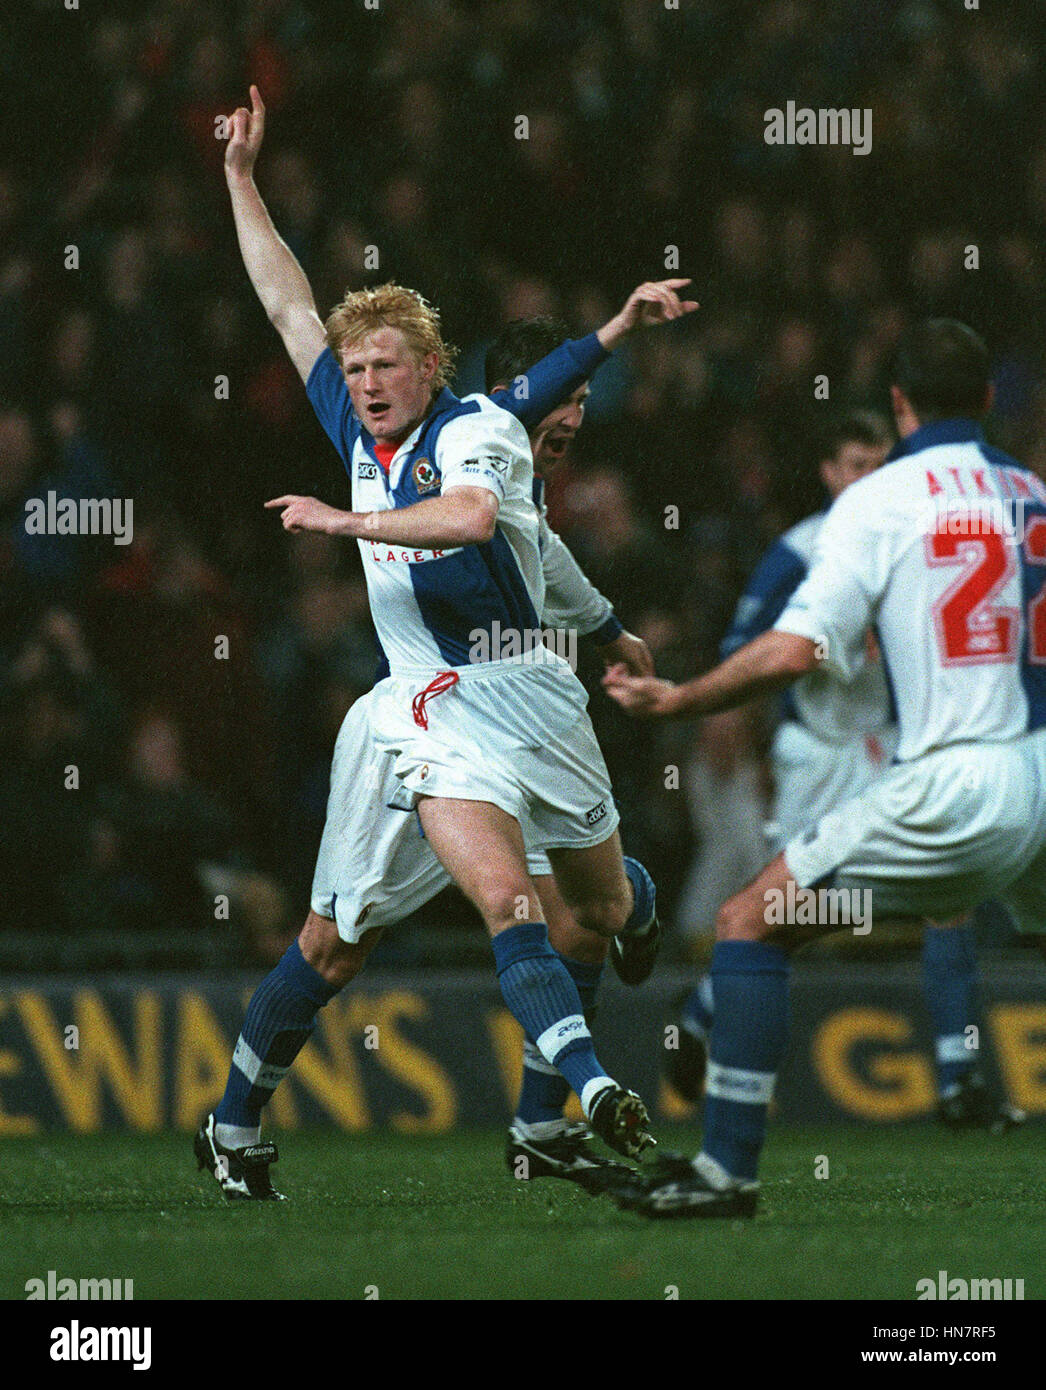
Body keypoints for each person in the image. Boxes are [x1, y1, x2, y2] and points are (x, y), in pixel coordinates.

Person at [196, 86, 696, 1200]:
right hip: (419, 711)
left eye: (385, 366)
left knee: (601, 911)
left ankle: (612, 963)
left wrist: (346, 522)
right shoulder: (353, 416)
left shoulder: (475, 429)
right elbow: (284, 302)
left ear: (431, 369)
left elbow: (478, 524)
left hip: (532, 698)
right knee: (353, 939)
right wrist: (238, 179)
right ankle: (245, 1126)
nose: (365, 383)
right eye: (356, 368)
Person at [605, 318, 1046, 1217]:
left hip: (957, 780)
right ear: (991, 398)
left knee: (749, 919)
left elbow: (795, 650)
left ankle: (726, 1171)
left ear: (899, 403)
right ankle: (954, 1080)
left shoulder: (881, 501)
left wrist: (682, 700)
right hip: (1036, 776)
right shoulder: (1033, 493)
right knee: (948, 910)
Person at [667, 411, 1024, 1131]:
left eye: (878, 462)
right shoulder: (801, 550)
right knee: (781, 913)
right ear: (829, 472)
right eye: (855, 463)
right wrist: (724, 716)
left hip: (897, 746)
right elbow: (749, 645)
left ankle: (958, 1079)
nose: (869, 476)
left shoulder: (912, 532)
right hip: (821, 753)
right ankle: (706, 1012)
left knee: (946, 900)